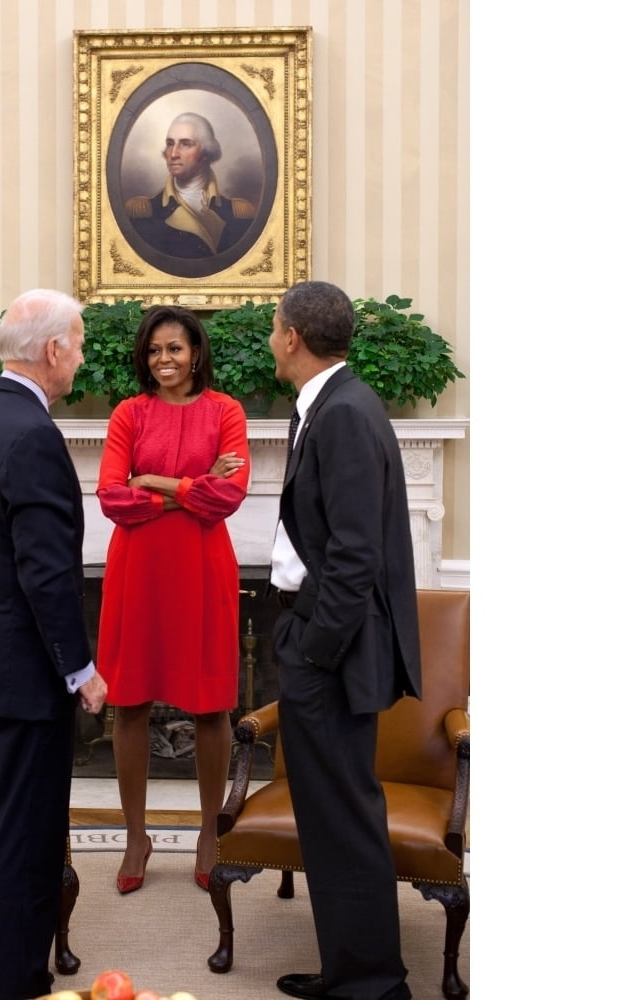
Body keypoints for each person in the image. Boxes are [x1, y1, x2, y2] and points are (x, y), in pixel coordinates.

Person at [0, 288, 108, 1000]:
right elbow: (46, 576)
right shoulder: (33, 435)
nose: (82, 355)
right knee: (28, 840)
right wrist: (82, 671)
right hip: (29, 672)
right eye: (77, 341)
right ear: (52, 351)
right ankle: (9, 987)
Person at [266, 281, 422, 1000]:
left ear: (293, 336)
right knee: (329, 820)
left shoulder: (346, 414)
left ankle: (371, 983)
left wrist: (312, 651)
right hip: (320, 641)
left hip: (333, 652)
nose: (272, 339)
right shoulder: (330, 406)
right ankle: (350, 971)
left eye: (274, 328)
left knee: (345, 819)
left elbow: (357, 556)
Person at [95, 304, 250, 893]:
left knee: (210, 705)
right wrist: (194, 486)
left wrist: (155, 482)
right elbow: (112, 497)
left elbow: (228, 497)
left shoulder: (225, 411)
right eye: (156, 349)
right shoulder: (129, 413)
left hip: (203, 570)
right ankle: (138, 835)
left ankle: (210, 833)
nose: (165, 359)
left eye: (176, 349)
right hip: (138, 571)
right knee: (129, 702)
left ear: (196, 354)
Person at [125, 112, 257, 258]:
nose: (173, 154)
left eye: (185, 144)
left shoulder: (238, 213)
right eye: (170, 144)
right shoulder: (143, 213)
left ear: (206, 152)